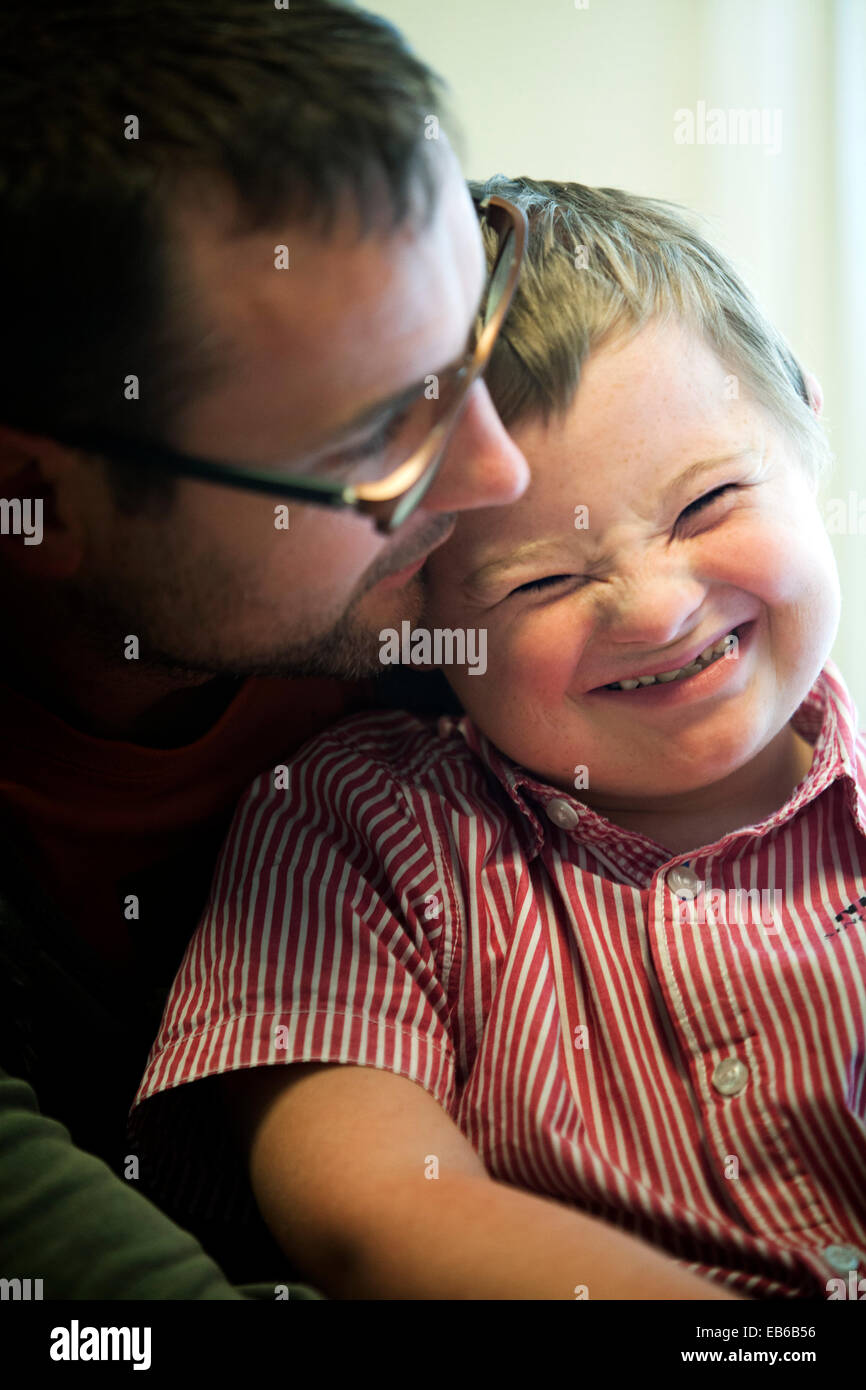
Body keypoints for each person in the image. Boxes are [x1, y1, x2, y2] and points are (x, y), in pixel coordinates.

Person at [132, 174, 865, 1300]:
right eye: (542, 581)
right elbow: (375, 1210)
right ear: (415, 610)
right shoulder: (359, 825)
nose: (654, 611)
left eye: (706, 502)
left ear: (807, 421)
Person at [0, 1, 530, 1298]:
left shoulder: (466, 620)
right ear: (38, 502)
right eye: (375, 436)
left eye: (474, 332)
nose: (499, 471)